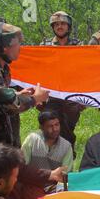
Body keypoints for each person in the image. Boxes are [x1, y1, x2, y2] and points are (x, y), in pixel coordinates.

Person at [39, 11, 84, 153]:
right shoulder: (44, 45)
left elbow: (85, 71)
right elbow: (38, 70)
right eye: (56, 24)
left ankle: (68, 161)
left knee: (68, 129)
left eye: (63, 24)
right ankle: (50, 161)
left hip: (72, 95)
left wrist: (84, 97)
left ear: (68, 26)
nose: (59, 26)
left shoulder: (79, 46)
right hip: (51, 95)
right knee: (50, 128)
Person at [21, 111, 73, 180]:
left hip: (54, 186)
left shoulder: (66, 147)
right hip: (31, 182)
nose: (55, 129)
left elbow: (65, 175)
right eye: (50, 126)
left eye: (57, 125)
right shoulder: (32, 139)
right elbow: (22, 167)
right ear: (41, 127)